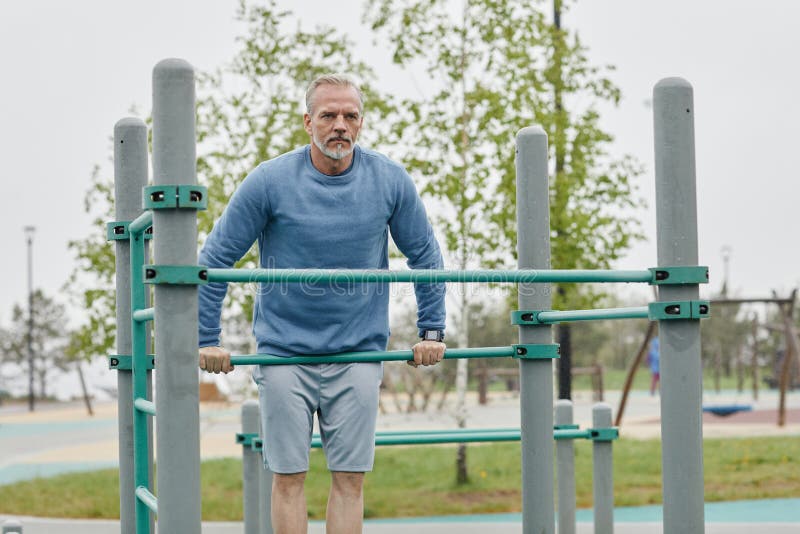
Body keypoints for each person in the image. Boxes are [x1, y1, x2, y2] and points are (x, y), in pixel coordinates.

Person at [196, 74, 447, 534]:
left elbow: (426, 254)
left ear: (362, 123)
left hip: (357, 351)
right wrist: (205, 340)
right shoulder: (270, 181)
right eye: (329, 115)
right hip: (284, 352)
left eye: (350, 116)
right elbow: (214, 260)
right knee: (288, 477)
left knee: (350, 479)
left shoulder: (389, 180)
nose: (340, 126)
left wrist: (432, 331)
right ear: (308, 121)